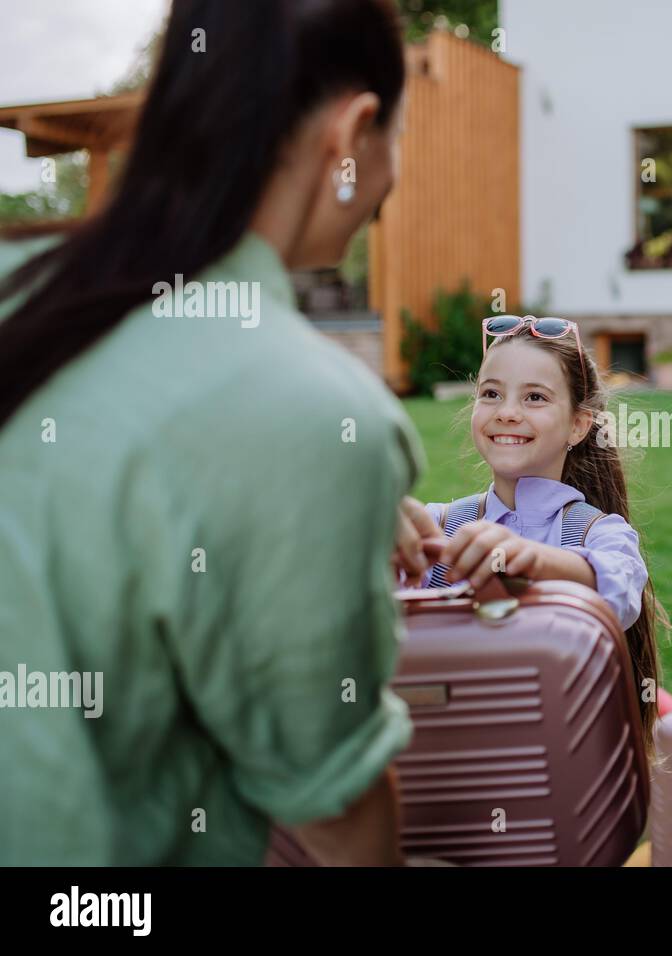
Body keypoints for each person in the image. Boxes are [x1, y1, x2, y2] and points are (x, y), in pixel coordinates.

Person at [0, 0, 435, 864]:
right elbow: (334, 806)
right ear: (351, 135)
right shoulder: (311, 411)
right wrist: (305, 469)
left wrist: (282, 503)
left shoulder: (23, 281)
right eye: (397, 138)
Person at [418, 316, 670, 749]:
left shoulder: (600, 534)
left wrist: (530, 559)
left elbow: (619, 589)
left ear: (578, 424)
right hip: (453, 763)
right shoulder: (438, 525)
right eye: (491, 393)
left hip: (560, 772)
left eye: (535, 397)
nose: (507, 412)